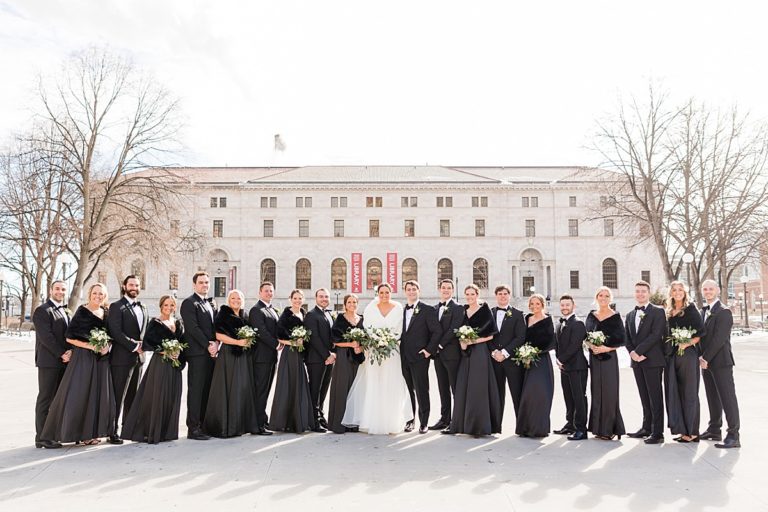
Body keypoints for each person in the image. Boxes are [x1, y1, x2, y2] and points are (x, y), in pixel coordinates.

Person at [42, 283, 115, 445]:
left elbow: (111, 336)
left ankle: (92, 432)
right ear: (89, 294)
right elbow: (70, 337)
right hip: (84, 358)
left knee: (96, 395)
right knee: (81, 395)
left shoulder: (107, 312)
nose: (98, 296)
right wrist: (91, 346)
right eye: (95, 293)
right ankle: (80, 434)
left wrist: (106, 347)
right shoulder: (82, 311)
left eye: (101, 294)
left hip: (101, 360)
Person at [343, 283, 411, 434]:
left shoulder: (398, 308)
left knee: (391, 382)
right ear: (378, 293)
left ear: (391, 293)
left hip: (392, 350)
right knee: (373, 382)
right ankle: (370, 420)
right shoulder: (370, 308)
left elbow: (400, 329)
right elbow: (367, 328)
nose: (384, 295)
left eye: (387, 292)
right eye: (382, 292)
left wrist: (387, 341)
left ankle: (391, 421)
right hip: (373, 351)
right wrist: (376, 341)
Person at [122, 295, 186, 444]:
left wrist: (178, 353)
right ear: (161, 306)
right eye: (166, 305)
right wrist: (165, 352)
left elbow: (183, 342)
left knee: (172, 395)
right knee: (159, 396)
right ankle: (153, 431)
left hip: (175, 364)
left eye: (171, 305)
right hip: (161, 364)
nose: (168, 308)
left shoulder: (178, 323)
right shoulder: (155, 323)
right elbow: (148, 343)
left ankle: (167, 432)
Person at [443, 284, 501, 437]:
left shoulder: (484, 310)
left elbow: (491, 335)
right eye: (467, 294)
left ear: (477, 294)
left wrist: (472, 342)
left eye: (472, 294)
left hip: (480, 352)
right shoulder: (463, 311)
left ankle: (480, 426)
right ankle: (464, 425)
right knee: (465, 387)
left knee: (478, 387)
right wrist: (463, 343)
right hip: (465, 354)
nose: (469, 297)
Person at [204, 289, 259, 437]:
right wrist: (238, 342)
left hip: (243, 356)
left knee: (241, 388)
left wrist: (248, 342)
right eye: (233, 298)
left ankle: (240, 425)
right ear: (228, 300)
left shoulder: (244, 314)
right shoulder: (223, 313)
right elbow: (218, 335)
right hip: (228, 354)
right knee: (228, 388)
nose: (236, 300)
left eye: (239, 298)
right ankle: (227, 426)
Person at [699, 279, 741, 449]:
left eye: (711, 289)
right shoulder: (702, 311)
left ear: (717, 290)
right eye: (705, 289)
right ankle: (714, 429)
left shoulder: (724, 312)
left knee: (727, 398)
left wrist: (705, 358)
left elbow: (719, 339)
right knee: (712, 396)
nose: (708, 291)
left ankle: (733, 435)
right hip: (706, 362)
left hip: (721, 362)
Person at [625, 280, 667, 445]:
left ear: (648, 294)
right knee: (644, 396)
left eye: (643, 291)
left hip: (653, 360)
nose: (640, 294)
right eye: (637, 291)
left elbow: (656, 334)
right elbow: (627, 337)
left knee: (655, 397)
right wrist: (633, 353)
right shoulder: (630, 315)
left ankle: (658, 432)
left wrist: (639, 351)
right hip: (637, 362)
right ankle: (646, 428)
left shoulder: (658, 312)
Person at [106, 275, 147, 445]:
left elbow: (144, 332)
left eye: (137, 285)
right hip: (121, 359)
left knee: (133, 396)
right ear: (124, 286)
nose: (134, 288)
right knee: (118, 396)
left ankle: (128, 430)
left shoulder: (143, 307)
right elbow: (115, 331)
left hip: (139, 359)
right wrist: (133, 345)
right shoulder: (116, 306)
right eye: (131, 284)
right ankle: (112, 431)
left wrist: (145, 346)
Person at [270, 289, 317, 433]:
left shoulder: (304, 313)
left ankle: (300, 420)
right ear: (290, 299)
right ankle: (286, 422)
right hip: (290, 353)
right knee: (289, 384)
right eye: (295, 298)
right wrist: (293, 343)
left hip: (300, 353)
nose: (297, 300)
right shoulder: (286, 314)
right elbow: (278, 335)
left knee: (299, 384)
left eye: (300, 298)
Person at [664, 281, 704, 443]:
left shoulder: (691, 309)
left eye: (681, 289)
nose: (678, 292)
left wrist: (686, 343)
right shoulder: (668, 311)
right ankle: (682, 430)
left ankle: (693, 432)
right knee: (676, 392)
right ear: (671, 293)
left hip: (688, 355)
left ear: (685, 292)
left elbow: (701, 331)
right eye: (675, 290)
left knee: (689, 392)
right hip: (672, 356)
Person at [32, 280, 71, 449]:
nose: (60, 292)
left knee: (57, 399)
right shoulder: (42, 310)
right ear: (50, 290)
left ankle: (53, 434)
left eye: (63, 289)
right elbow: (46, 337)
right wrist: (62, 353)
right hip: (49, 362)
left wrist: (71, 352)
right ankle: (41, 437)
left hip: (64, 362)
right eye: (57, 289)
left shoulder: (66, 311)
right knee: (45, 399)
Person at [400, 280, 442, 434]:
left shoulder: (427, 310)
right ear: (405, 292)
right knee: (408, 391)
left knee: (422, 390)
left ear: (419, 291)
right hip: (404, 356)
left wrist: (428, 351)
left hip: (420, 357)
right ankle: (410, 421)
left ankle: (424, 422)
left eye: (414, 289)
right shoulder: (402, 310)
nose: (411, 292)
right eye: (408, 289)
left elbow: (436, 332)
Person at [585, 286, 626, 440]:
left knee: (609, 392)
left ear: (610, 298)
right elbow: (586, 336)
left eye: (606, 295)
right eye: (600, 295)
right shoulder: (591, 316)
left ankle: (609, 429)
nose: (603, 298)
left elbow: (622, 339)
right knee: (596, 392)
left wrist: (605, 348)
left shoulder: (615, 316)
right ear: (596, 297)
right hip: (595, 358)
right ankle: (597, 428)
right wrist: (592, 346)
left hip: (609, 358)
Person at [180, 271, 217, 440]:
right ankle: (193, 428)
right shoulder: (189, 303)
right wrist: (208, 344)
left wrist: (216, 344)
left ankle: (202, 425)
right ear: (194, 284)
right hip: (197, 353)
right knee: (196, 391)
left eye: (207, 282)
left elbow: (213, 327)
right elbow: (192, 328)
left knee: (207, 391)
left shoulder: (210, 303)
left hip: (211, 353)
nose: (205, 285)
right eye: (201, 282)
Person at [515, 294, 556, 438]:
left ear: (542, 304)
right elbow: (521, 338)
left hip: (541, 361)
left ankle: (539, 428)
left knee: (541, 394)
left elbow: (552, 342)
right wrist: (524, 354)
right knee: (527, 394)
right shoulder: (527, 319)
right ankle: (526, 427)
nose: (534, 306)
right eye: (532, 303)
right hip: (526, 362)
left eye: (537, 303)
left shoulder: (548, 320)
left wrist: (534, 353)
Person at [489, 284, 526, 426]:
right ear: (496, 296)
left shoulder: (517, 314)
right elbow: (487, 335)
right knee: (496, 394)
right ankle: (495, 426)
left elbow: (520, 337)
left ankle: (521, 425)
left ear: (509, 296)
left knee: (517, 393)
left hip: (511, 361)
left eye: (505, 293)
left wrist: (504, 353)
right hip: (494, 360)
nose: (502, 296)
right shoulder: (490, 313)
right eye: (500, 294)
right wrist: (494, 352)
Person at [328, 294, 366, 434]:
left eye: (354, 302)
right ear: (345, 304)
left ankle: (354, 424)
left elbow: (366, 340)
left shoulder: (362, 319)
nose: (352, 304)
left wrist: (360, 347)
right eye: (349, 302)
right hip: (344, 356)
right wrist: (350, 344)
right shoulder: (340, 319)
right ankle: (339, 424)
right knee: (343, 387)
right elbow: (334, 340)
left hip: (358, 357)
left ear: (357, 303)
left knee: (356, 388)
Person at [430, 279, 463, 431]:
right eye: (443, 288)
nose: (446, 290)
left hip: (451, 354)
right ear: (439, 289)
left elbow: (454, 329)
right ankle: (444, 419)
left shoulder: (458, 308)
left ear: (453, 290)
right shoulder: (435, 308)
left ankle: (457, 421)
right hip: (437, 356)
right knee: (442, 389)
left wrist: (439, 345)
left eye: (449, 288)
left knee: (455, 388)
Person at [554, 295, 589, 441]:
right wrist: (558, 359)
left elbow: (575, 345)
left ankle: (581, 429)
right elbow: (557, 345)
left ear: (573, 306)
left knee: (579, 398)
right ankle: (570, 424)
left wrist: (561, 359)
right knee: (568, 397)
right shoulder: (559, 324)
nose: (564, 307)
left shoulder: (578, 323)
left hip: (577, 367)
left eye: (567, 305)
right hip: (565, 367)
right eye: (562, 305)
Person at [248, 282, 280, 436]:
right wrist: (276, 344)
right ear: (260, 292)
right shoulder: (256, 310)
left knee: (266, 391)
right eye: (266, 291)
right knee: (260, 391)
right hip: (261, 357)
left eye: (271, 291)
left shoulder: (272, 310)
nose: (269, 293)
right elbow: (262, 332)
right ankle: (257, 426)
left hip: (271, 357)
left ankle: (263, 420)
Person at [303, 288, 336, 431]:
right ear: (316, 298)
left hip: (329, 359)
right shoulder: (311, 315)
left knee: (323, 390)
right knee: (315, 390)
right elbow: (314, 338)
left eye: (326, 297)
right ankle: (313, 421)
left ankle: (320, 417)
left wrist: (333, 354)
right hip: (316, 359)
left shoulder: (328, 314)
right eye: (321, 296)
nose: (324, 299)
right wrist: (326, 355)